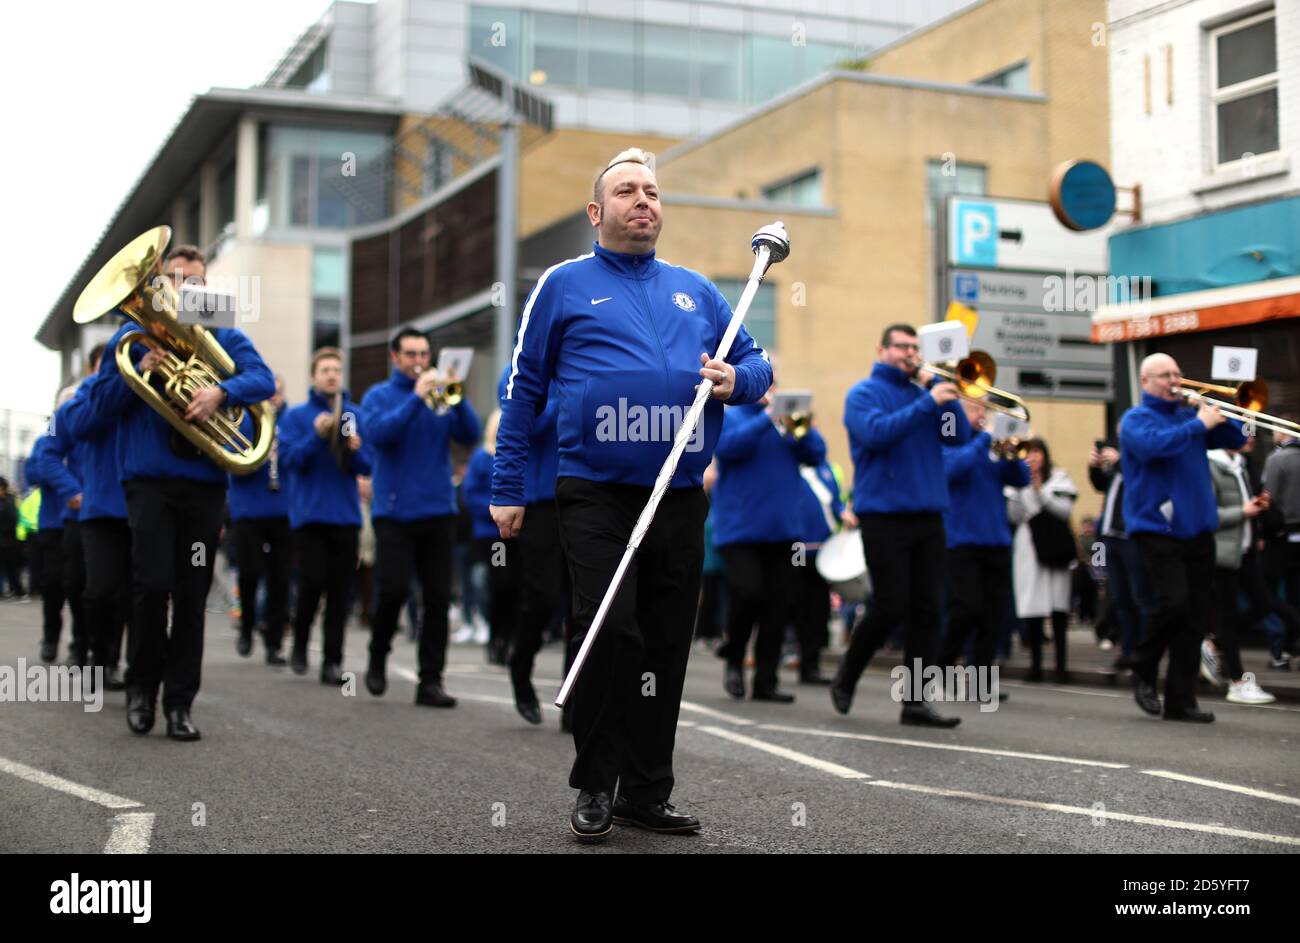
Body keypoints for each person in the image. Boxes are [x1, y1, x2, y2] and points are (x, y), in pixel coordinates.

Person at [490, 147, 772, 841]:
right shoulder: (561, 283)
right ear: (597, 211)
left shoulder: (698, 290)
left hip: (678, 493)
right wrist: (507, 485)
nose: (643, 200)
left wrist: (741, 381)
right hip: (594, 491)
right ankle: (595, 780)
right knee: (609, 629)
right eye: (626, 191)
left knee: (667, 644)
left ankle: (647, 789)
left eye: (651, 190)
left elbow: (757, 361)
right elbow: (522, 390)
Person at [88, 243, 276, 740]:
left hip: (203, 486)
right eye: (175, 278)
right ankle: (140, 692)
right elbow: (100, 408)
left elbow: (263, 379)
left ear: (204, 283)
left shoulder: (222, 332)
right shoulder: (128, 338)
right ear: (162, 281)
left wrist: (221, 391)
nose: (184, 287)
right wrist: (142, 372)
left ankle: (179, 704)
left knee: (192, 595)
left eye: (194, 280)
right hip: (148, 483)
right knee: (150, 588)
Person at [830, 323, 969, 727]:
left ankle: (915, 702)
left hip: (928, 513)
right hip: (883, 514)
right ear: (882, 350)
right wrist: (928, 403)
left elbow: (957, 437)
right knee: (890, 605)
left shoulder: (925, 393)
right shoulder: (863, 393)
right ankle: (847, 673)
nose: (910, 353)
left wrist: (946, 398)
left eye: (915, 347)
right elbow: (875, 435)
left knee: (927, 608)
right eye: (902, 347)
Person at [1118, 353, 1245, 723]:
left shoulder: (1191, 415)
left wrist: (1223, 407)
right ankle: (1143, 663)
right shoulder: (1135, 419)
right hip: (1157, 526)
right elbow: (1153, 447)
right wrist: (1198, 423)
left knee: (1194, 617)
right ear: (1146, 382)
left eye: (1178, 372)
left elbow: (1236, 436)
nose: (1175, 380)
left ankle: (1180, 699)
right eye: (1165, 375)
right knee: (1172, 602)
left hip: (1198, 527)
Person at [360, 328, 481, 706]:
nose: (418, 361)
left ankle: (431, 680)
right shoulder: (379, 396)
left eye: (424, 354)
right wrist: (416, 398)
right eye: (411, 354)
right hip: (393, 511)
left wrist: (454, 395)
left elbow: (471, 433)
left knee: (437, 597)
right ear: (395, 357)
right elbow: (380, 436)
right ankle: (378, 654)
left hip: (438, 511)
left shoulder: (441, 396)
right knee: (394, 590)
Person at [713, 384, 827, 702]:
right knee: (747, 594)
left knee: (779, 606)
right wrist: (767, 417)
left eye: (773, 385)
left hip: (785, 532)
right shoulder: (731, 416)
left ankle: (766, 681)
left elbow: (816, 456)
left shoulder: (787, 424)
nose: (770, 391)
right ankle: (734, 658)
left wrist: (801, 427)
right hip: (741, 530)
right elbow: (727, 449)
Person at [280, 348, 370, 684]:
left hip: (345, 516)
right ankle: (300, 644)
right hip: (310, 516)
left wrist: (355, 451)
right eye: (325, 370)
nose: (332, 375)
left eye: (336, 369)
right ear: (314, 376)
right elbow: (291, 460)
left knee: (340, 592)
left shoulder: (353, 415)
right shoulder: (297, 416)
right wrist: (317, 438)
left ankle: (333, 661)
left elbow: (367, 467)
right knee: (311, 585)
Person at [939, 399, 1029, 699]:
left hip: (997, 541)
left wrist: (1012, 456)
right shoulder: (950, 440)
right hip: (962, 541)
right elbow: (953, 469)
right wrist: (985, 440)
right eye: (975, 410)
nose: (982, 416)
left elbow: (1021, 479)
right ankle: (940, 666)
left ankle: (979, 682)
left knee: (994, 614)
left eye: (984, 410)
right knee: (966, 609)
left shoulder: (990, 448)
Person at [493, 367, 567, 726]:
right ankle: (520, 667)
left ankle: (576, 696)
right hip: (540, 503)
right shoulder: (517, 371)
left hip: (587, 497)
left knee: (585, 602)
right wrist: (567, 397)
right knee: (543, 597)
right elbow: (528, 428)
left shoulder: (587, 359)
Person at [59, 342, 133, 690]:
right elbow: (76, 427)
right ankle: (92, 652)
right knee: (99, 589)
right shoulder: (87, 390)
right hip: (100, 507)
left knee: (132, 592)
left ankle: (113, 662)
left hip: (141, 503)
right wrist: (121, 385)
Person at [1205, 441, 1277, 704]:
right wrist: (1244, 511)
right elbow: (1208, 515)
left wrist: (1257, 506)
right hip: (1223, 552)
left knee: (1264, 604)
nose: (1250, 438)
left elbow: (1245, 506)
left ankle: (1215, 644)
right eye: (1241, 431)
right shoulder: (1211, 465)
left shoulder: (1241, 466)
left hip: (1245, 550)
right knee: (1229, 614)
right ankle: (1236, 681)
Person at [227, 376, 291, 664]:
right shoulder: (244, 418)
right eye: (269, 393)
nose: (274, 397)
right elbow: (231, 457)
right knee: (250, 573)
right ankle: (247, 626)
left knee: (280, 578)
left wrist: (281, 447)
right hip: (249, 510)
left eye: (278, 393)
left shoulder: (293, 420)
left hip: (284, 511)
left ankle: (274, 642)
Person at [1006, 438, 1078, 683]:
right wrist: (1019, 492)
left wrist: (1040, 493)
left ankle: (1061, 666)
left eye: (1036, 452)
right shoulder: (1018, 481)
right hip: (1029, 546)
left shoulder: (1059, 478)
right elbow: (1014, 516)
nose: (1032, 458)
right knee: (1033, 609)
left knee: (1058, 609)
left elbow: (1064, 511)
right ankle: (1035, 665)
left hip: (1054, 546)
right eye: (1028, 454)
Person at [1087, 442, 1151, 669]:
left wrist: (1120, 461)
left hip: (1130, 537)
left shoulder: (1137, 461)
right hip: (1110, 536)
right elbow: (1100, 485)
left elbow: (1143, 483)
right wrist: (1094, 467)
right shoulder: (1118, 466)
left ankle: (1144, 654)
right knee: (1120, 598)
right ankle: (1126, 651)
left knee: (1140, 597)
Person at [462, 410, 518, 668]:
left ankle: (508, 637)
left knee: (512, 588)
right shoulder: (482, 458)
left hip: (515, 533)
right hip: (491, 535)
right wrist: (496, 509)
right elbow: (470, 494)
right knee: (498, 585)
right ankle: (496, 637)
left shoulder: (517, 457)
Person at [790, 454, 849, 685]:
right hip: (795, 547)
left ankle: (810, 665)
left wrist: (843, 512)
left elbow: (834, 501)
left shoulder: (826, 468)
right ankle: (782, 655)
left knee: (818, 608)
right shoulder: (790, 464)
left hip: (822, 549)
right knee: (793, 604)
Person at [25, 430, 68, 662]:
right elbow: (31, 473)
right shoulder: (45, 441)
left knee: (87, 588)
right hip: (54, 523)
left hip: (87, 519)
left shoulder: (90, 432)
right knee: (53, 584)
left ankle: (85, 645)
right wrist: (55, 465)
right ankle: (50, 637)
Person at [1262, 420, 1300, 666]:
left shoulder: (1277, 460)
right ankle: (1292, 645)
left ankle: (1278, 649)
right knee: (1296, 592)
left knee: (1267, 593)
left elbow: (1268, 499)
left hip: (1280, 536)